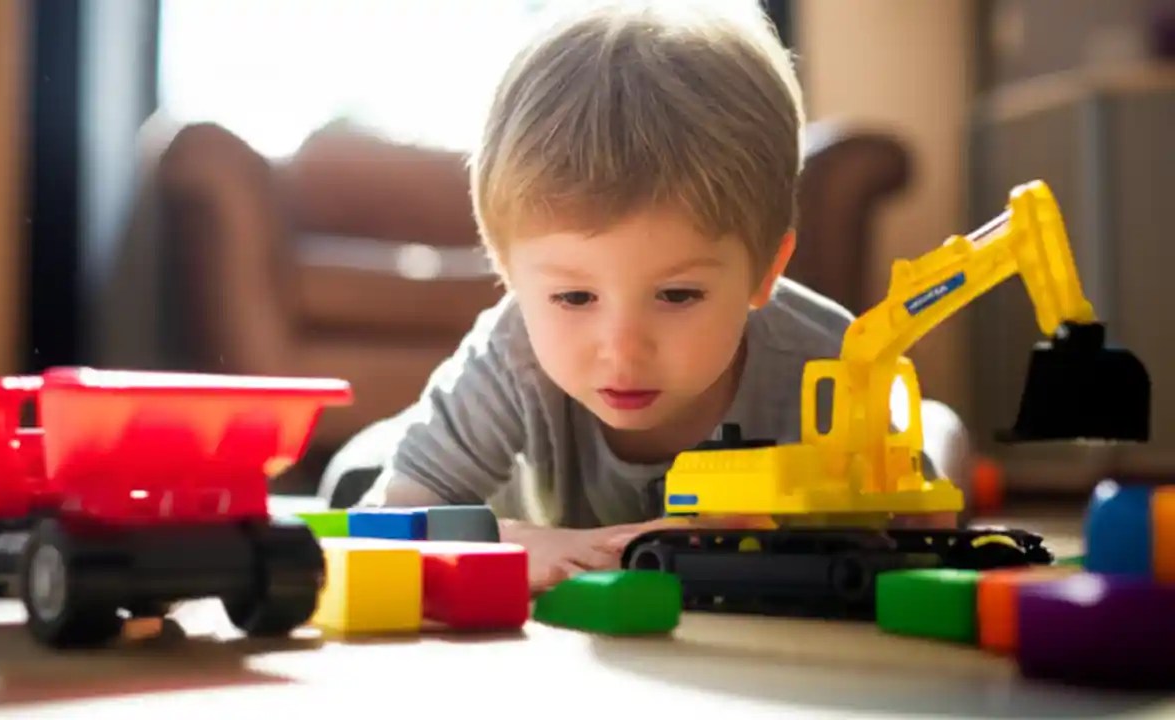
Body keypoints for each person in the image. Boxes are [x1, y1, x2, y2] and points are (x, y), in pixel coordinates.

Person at [326, 0, 972, 591]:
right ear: (509, 275)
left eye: (677, 294)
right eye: (575, 298)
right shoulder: (511, 355)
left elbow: (911, 504)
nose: (622, 348)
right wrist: (516, 540)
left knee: (934, 441)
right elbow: (382, 520)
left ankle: (938, 427)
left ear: (764, 272)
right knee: (349, 485)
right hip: (422, 469)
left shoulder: (829, 364)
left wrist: (914, 502)